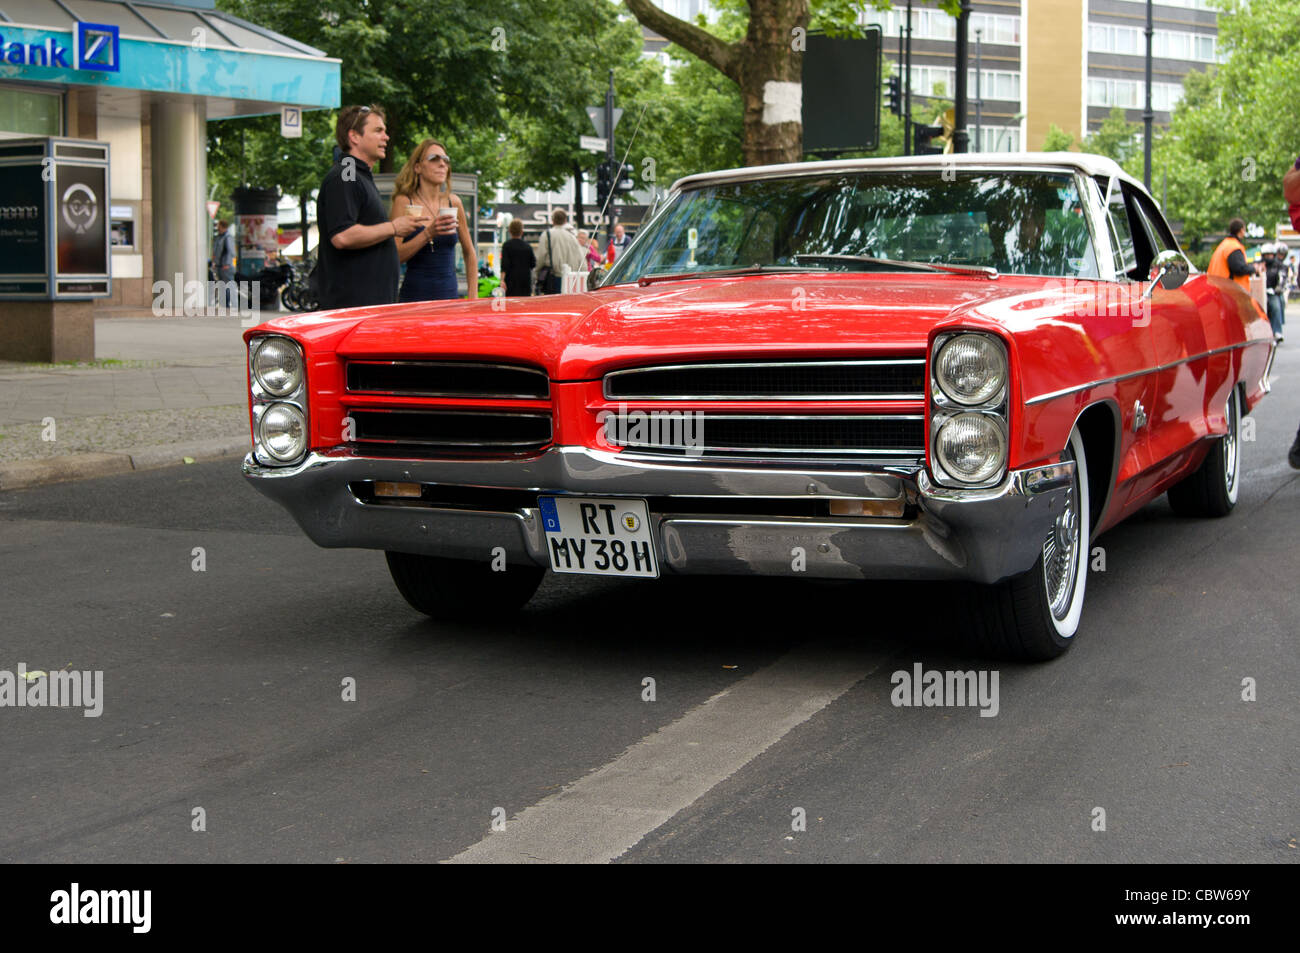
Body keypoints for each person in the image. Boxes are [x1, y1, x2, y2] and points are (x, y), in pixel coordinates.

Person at [316, 104, 429, 310]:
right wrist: (393, 227)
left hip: (366, 306)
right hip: (353, 308)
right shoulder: (346, 173)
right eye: (378, 130)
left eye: (385, 131)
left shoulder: (358, 174)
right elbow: (342, 236)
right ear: (354, 137)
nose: (386, 137)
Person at [391, 138, 477, 302]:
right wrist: (428, 233)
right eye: (434, 159)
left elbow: (469, 252)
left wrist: (473, 298)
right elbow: (394, 256)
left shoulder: (453, 202)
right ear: (417, 167)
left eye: (445, 160)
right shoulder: (405, 202)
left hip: (449, 297)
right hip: (414, 298)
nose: (442, 164)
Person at [535, 209, 584, 294]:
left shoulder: (547, 235)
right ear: (565, 220)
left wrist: (537, 272)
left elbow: (541, 257)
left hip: (552, 277)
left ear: (552, 220)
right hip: (569, 278)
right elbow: (580, 258)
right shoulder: (572, 236)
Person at [1206, 218, 1254, 293]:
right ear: (1241, 230)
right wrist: (1253, 268)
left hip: (1218, 288)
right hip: (1230, 292)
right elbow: (1239, 269)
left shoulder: (1224, 244)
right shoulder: (1234, 247)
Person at [500, 218, 535, 297]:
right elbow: (533, 264)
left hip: (510, 283)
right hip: (525, 283)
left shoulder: (507, 246)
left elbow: (504, 265)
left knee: (511, 303)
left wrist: (502, 280)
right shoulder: (528, 247)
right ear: (522, 232)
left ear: (510, 231)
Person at [1262, 243, 1285, 342]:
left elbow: (1283, 276)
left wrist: (1279, 287)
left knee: (1276, 306)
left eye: (1270, 255)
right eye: (1266, 255)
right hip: (1261, 291)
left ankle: (1277, 331)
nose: (1268, 257)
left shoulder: (1278, 265)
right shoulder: (1259, 264)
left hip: (1273, 292)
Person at [210, 219, 235, 308]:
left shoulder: (228, 237)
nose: (217, 227)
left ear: (223, 226)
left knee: (227, 286)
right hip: (219, 266)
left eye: (219, 226)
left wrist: (227, 264)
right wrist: (214, 262)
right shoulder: (218, 237)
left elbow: (231, 252)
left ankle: (229, 305)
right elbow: (216, 251)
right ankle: (224, 304)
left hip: (225, 267)